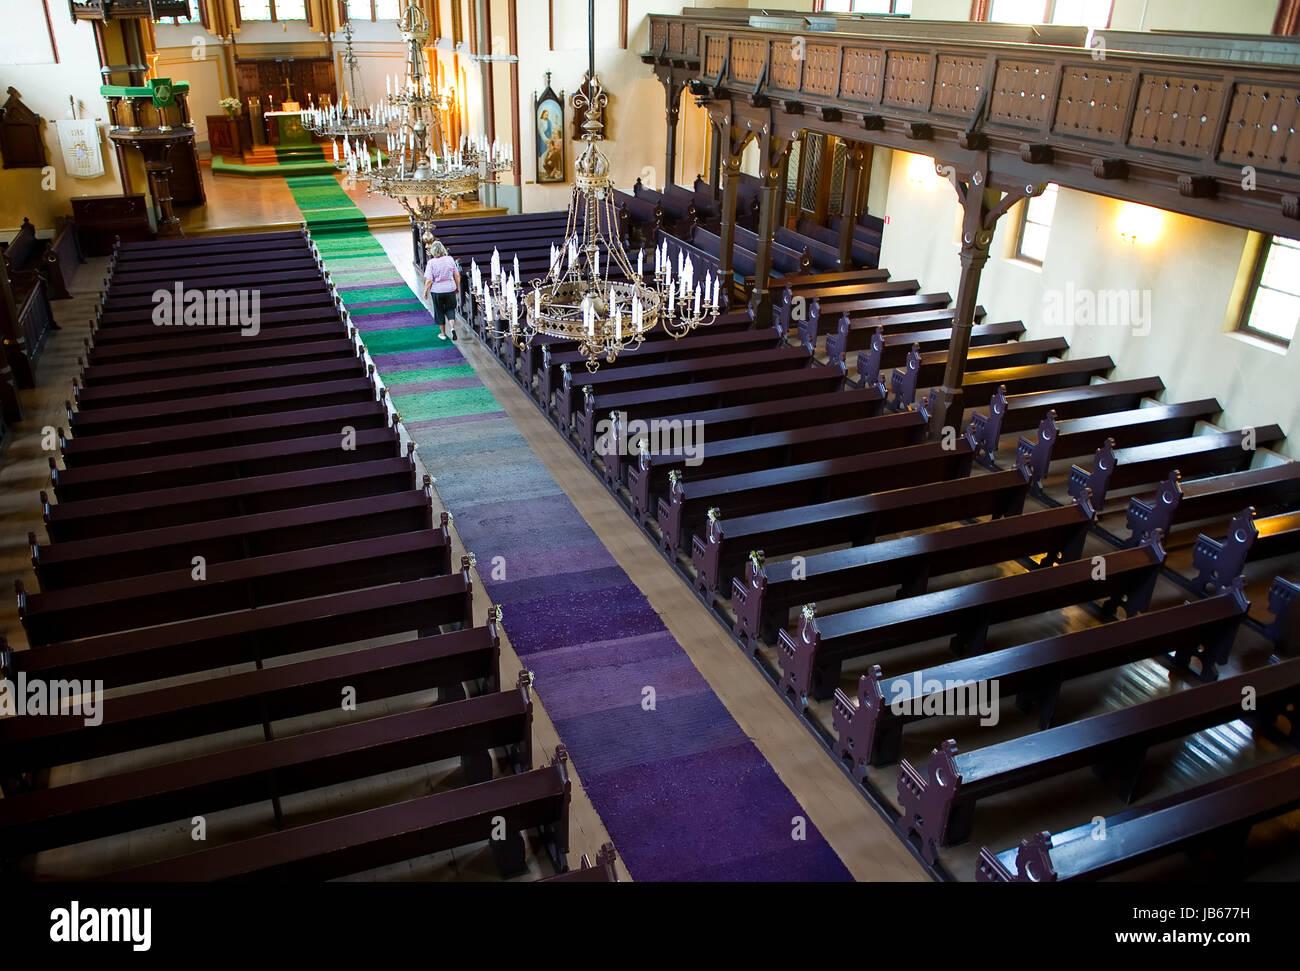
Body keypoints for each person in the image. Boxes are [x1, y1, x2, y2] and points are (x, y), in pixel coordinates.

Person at [421, 240, 459, 340]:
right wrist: (457, 287)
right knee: (450, 309)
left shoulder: (431, 263)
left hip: (437, 291)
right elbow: (457, 275)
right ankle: (452, 328)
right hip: (450, 289)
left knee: (439, 311)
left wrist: (425, 291)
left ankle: (443, 334)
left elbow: (429, 280)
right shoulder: (450, 259)